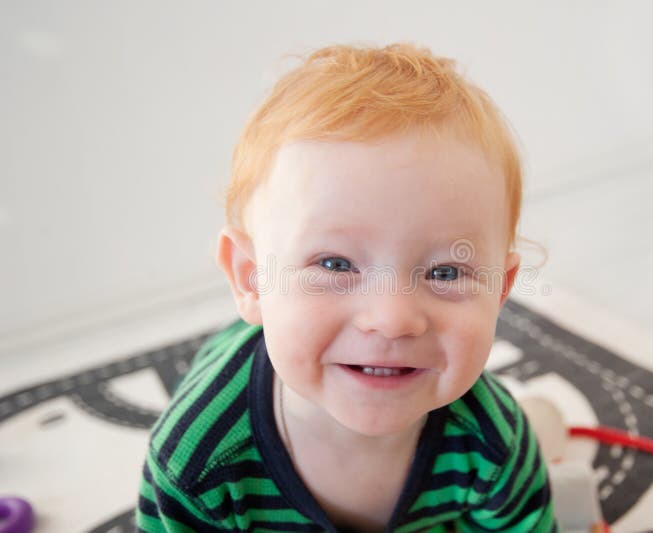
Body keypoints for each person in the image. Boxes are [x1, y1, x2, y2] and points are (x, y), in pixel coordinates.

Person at [136, 42, 558, 532]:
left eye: (444, 272)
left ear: (499, 291)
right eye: (335, 264)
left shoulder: (495, 445)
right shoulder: (195, 465)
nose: (393, 319)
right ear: (252, 279)